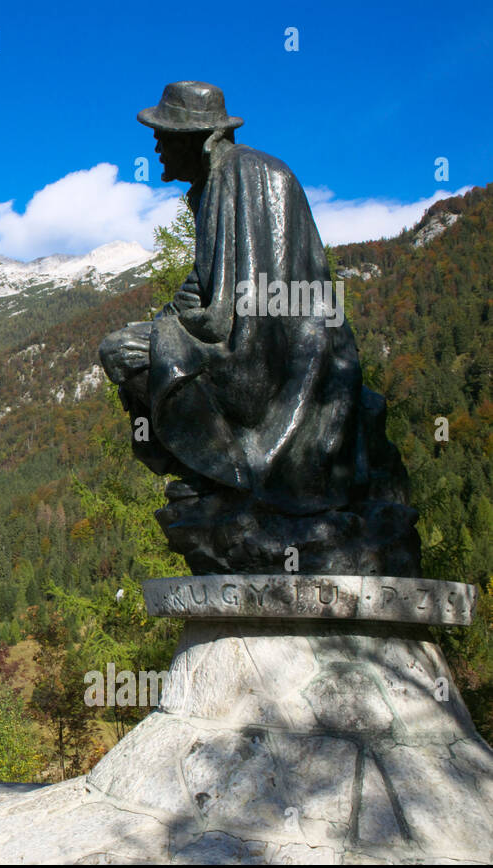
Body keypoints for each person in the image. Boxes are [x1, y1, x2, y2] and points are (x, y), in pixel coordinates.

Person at [99, 81, 417, 574]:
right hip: (241, 333)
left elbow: (260, 301)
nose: (157, 145)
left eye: (165, 134)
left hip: (273, 353)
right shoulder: (214, 186)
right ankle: (214, 477)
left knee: (130, 353)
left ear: (199, 138)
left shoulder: (248, 174)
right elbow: (219, 283)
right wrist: (186, 305)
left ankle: (227, 478)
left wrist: (191, 320)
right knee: (123, 351)